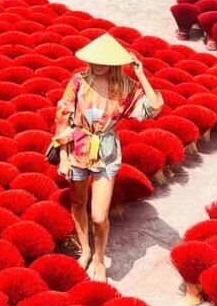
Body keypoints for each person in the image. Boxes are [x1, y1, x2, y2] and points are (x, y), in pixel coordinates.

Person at [52, 33, 164, 282]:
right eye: (94, 60)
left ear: (114, 62)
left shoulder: (125, 87)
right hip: (77, 149)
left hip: (106, 153)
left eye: (104, 60)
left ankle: (100, 261)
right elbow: (63, 115)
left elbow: (153, 108)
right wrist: (63, 156)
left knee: (99, 216)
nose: (97, 64)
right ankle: (85, 251)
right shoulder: (78, 81)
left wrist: (141, 75)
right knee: (78, 203)